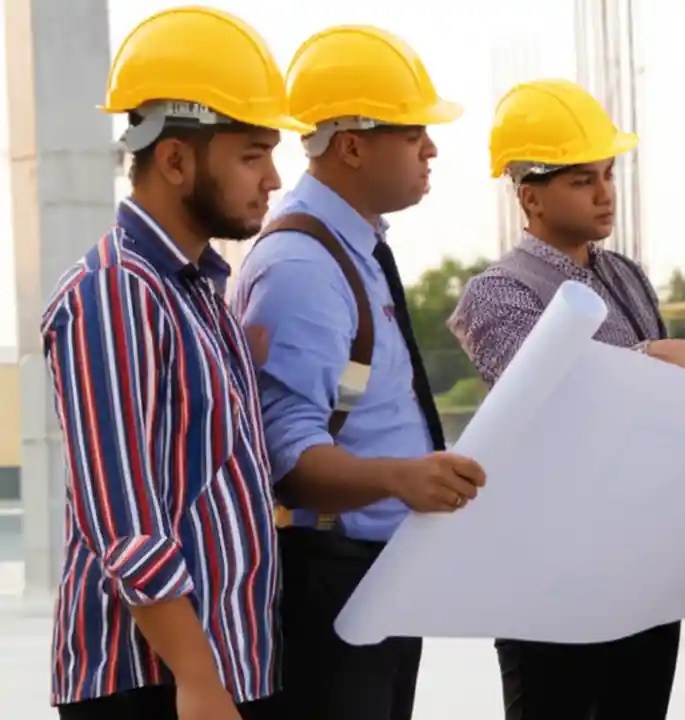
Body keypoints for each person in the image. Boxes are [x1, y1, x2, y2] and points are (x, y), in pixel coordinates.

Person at [448, 78, 685, 720]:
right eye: (581, 180)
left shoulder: (624, 275)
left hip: (640, 560)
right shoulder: (498, 293)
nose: (604, 193)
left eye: (608, 174)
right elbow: (537, 391)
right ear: (529, 195)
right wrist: (653, 357)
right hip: (550, 574)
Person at [40, 7, 310, 720]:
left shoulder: (199, 290)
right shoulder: (118, 292)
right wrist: (197, 676)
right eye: (252, 154)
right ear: (176, 159)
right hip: (154, 682)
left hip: (225, 666)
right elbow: (124, 519)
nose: (274, 177)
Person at [231, 25, 484, 720]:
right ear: (352, 145)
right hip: (333, 584)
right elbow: (287, 457)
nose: (431, 149)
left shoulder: (350, 251)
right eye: (414, 134)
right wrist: (404, 478)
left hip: (372, 575)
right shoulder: (303, 268)